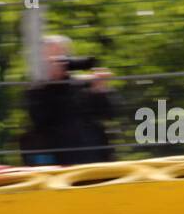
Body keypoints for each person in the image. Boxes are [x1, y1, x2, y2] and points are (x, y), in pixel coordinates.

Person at [21, 35, 116, 166]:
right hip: (59, 163)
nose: (56, 62)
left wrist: (100, 90)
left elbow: (109, 114)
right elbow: (40, 119)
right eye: (50, 57)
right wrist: (55, 81)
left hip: (95, 158)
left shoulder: (85, 84)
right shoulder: (36, 91)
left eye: (60, 56)